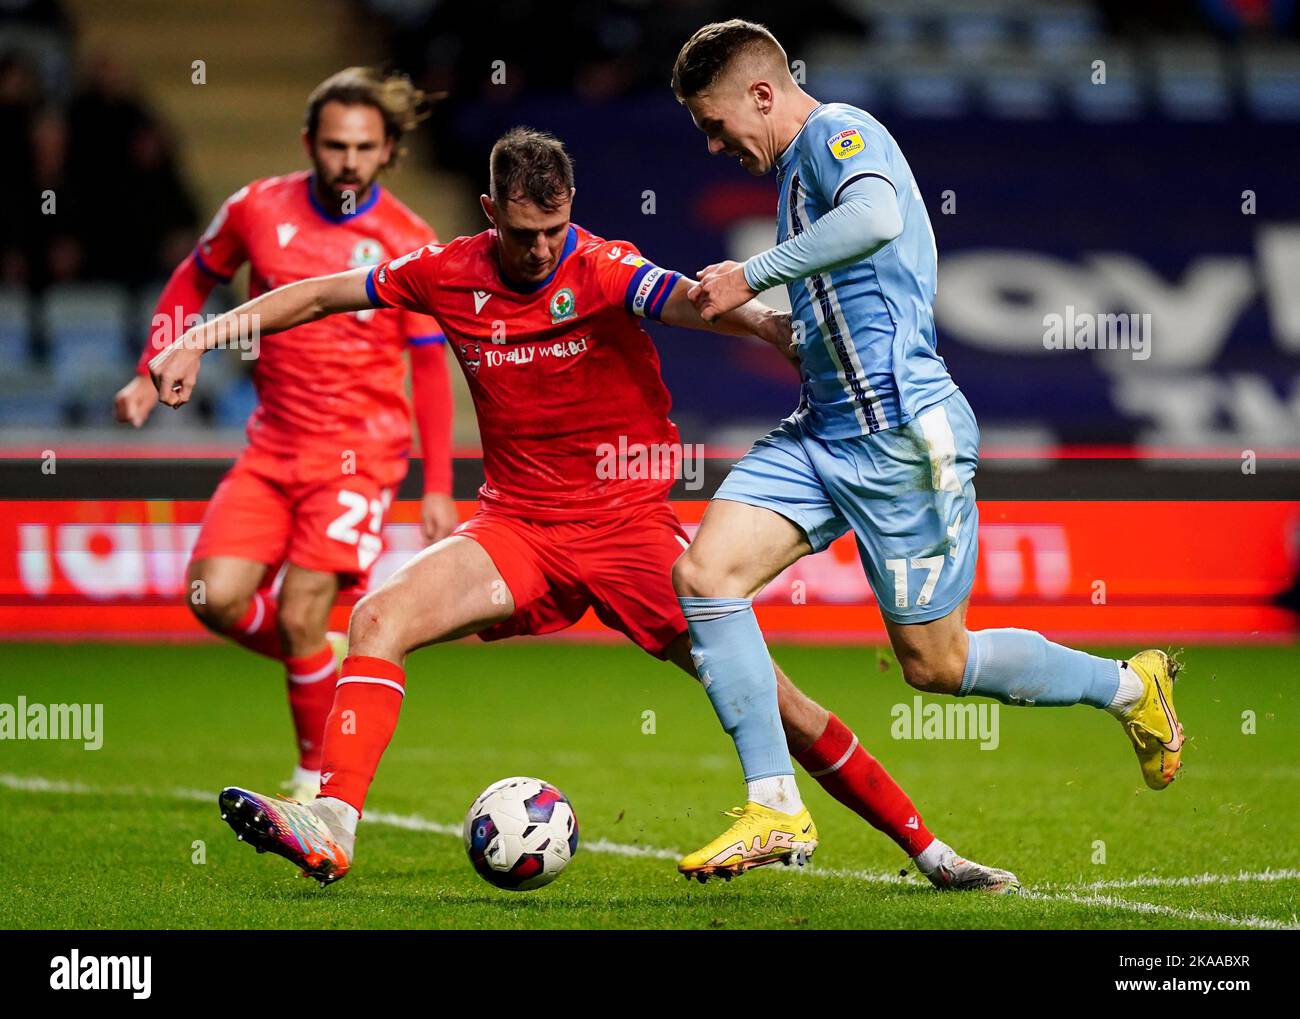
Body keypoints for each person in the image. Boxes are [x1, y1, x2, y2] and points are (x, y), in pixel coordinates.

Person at [152, 127, 1018, 893]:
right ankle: (332, 824)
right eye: (523, 234)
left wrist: (766, 325)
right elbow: (315, 295)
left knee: (781, 707)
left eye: (554, 229)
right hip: (515, 527)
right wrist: (196, 336)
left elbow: (681, 296)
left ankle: (930, 849)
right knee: (378, 613)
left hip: (631, 534)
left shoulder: (600, 266)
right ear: (489, 210)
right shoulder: (444, 271)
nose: (540, 251)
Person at [666, 20, 1185, 867]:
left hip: (906, 439)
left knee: (936, 666)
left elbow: (875, 215)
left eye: (715, 124)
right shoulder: (795, 173)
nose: (715, 144)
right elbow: (853, 284)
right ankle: (776, 806)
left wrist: (753, 274)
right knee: (704, 576)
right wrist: (789, 326)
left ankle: (1132, 686)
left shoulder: (844, 132)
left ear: (763, 94)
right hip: (824, 429)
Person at [114, 67, 456, 801]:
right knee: (213, 597)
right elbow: (190, 280)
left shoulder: (408, 240)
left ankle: (311, 782)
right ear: (310, 142)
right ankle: (316, 659)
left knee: (303, 609)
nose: (348, 161)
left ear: (388, 151)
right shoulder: (255, 209)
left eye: (365, 147)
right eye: (334, 144)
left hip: (361, 454)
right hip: (271, 445)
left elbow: (430, 366)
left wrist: (436, 484)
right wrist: (151, 368)